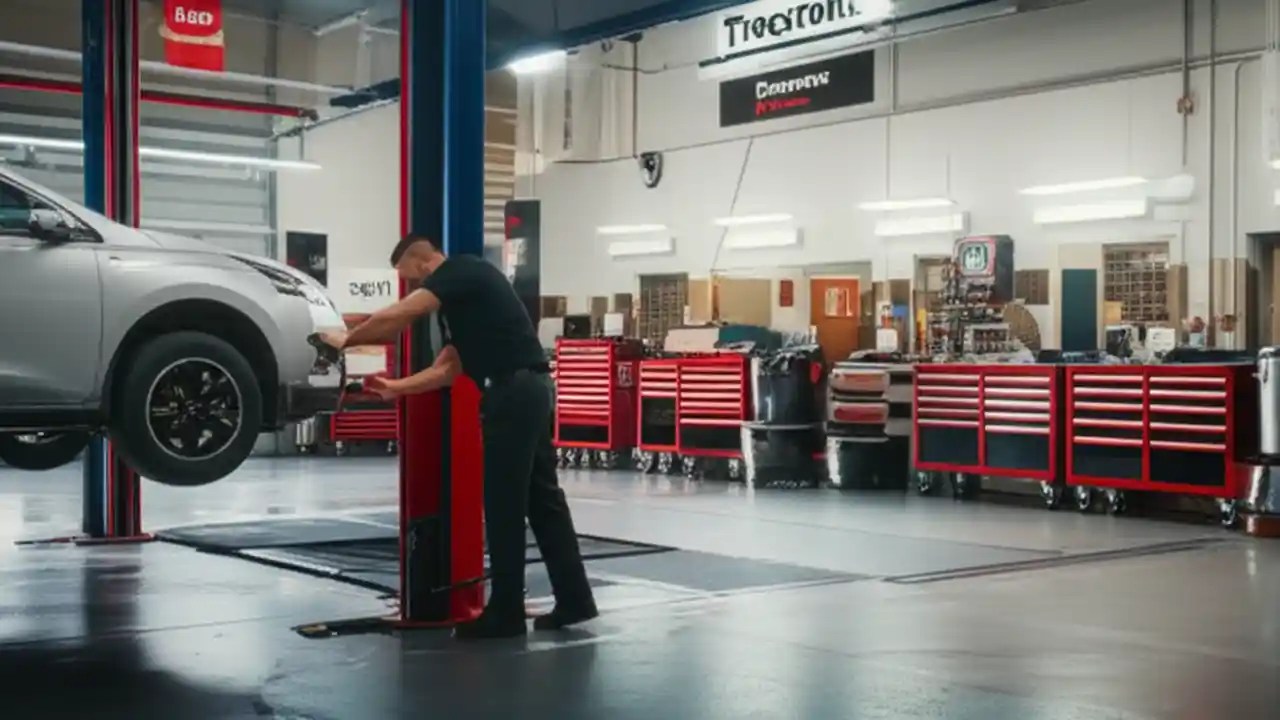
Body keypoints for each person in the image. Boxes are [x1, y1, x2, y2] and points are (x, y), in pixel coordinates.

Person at [322, 233, 597, 640]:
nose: (414, 288)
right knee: (543, 501)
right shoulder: (464, 300)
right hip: (528, 389)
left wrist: (346, 340)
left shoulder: (460, 271)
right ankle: (574, 600)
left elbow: (399, 317)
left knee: (504, 502)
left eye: (411, 279)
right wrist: (396, 388)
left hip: (513, 394)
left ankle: (505, 612)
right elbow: (448, 368)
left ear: (420, 263)